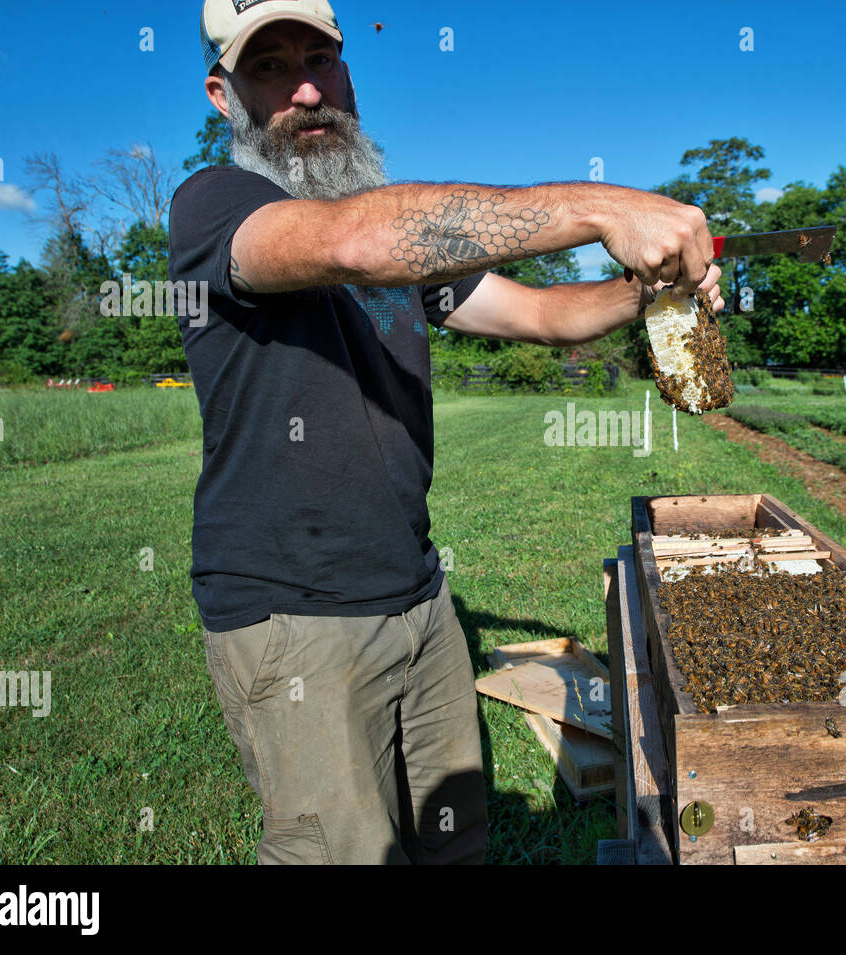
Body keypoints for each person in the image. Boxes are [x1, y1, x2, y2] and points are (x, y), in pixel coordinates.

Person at [170, 0, 725, 864]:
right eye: (270, 68)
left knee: (453, 842)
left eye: (320, 59)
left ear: (349, 73)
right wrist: (604, 206)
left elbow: (542, 313)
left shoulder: (395, 239)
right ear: (223, 95)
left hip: (420, 599)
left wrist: (657, 292)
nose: (306, 88)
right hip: (292, 615)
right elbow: (358, 242)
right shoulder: (218, 207)